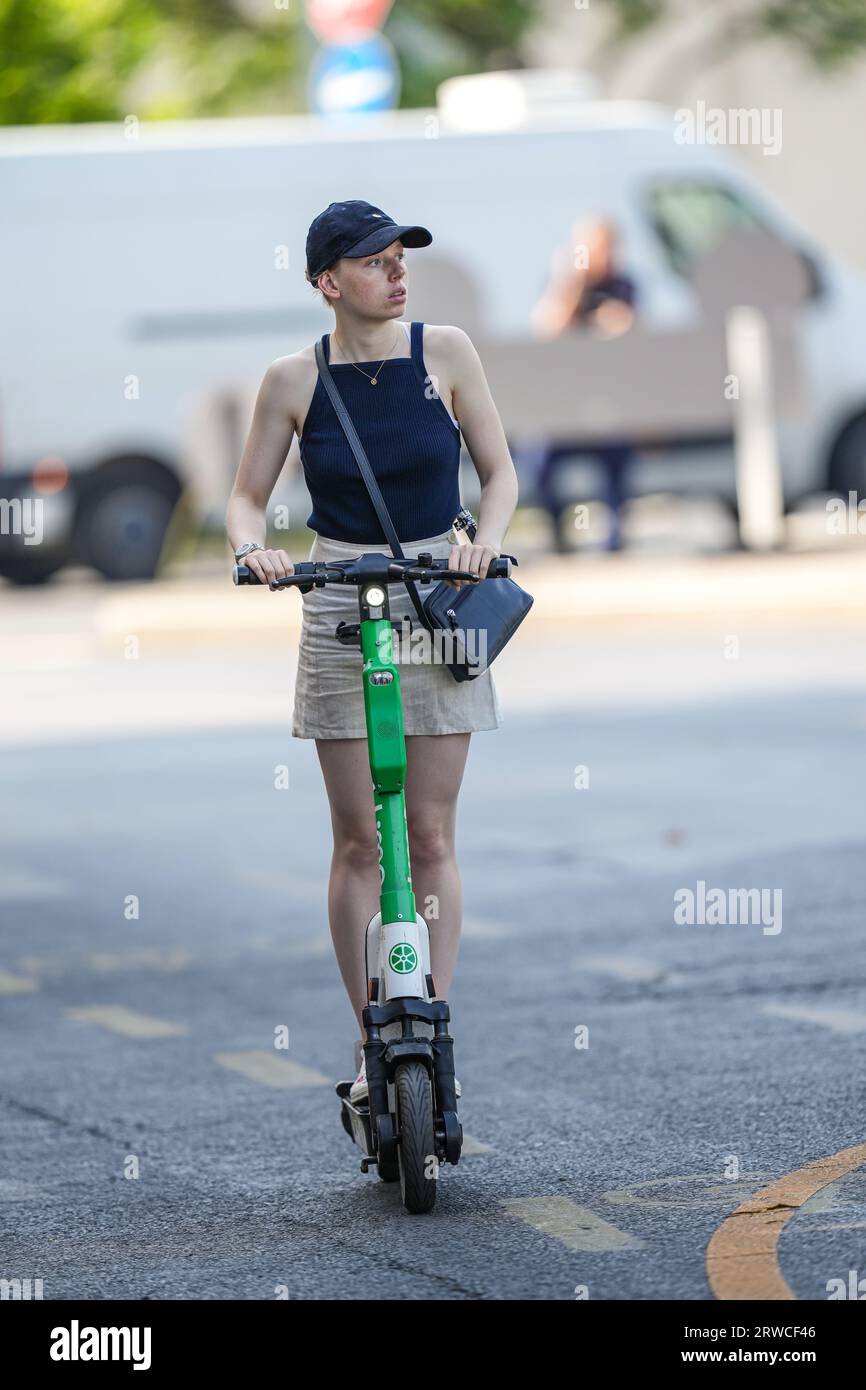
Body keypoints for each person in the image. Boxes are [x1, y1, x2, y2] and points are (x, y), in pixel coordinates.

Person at [226, 200, 519, 1102]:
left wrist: (485, 541)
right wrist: (252, 549)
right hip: (338, 595)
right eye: (375, 262)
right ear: (328, 283)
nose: (397, 274)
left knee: (427, 836)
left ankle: (426, 1024)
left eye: (402, 259)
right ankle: (369, 1045)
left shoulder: (448, 353)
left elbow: (501, 473)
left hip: (439, 585)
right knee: (360, 842)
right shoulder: (291, 380)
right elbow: (245, 499)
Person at [529, 216, 638, 552]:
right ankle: (559, 534)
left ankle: (614, 540)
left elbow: (627, 328)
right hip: (564, 404)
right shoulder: (564, 283)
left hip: (606, 404)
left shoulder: (624, 284)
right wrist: (571, 282)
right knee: (537, 461)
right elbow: (548, 327)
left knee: (619, 461)